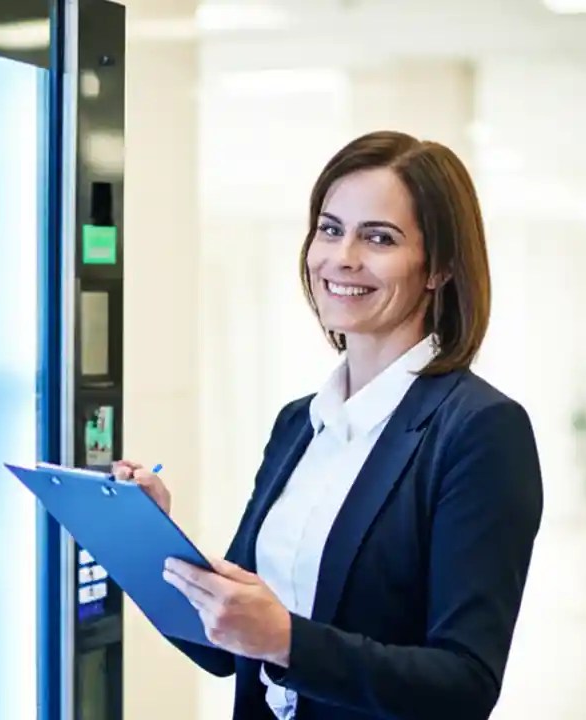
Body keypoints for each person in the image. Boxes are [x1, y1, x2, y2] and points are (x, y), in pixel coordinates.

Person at [114, 130, 543, 720]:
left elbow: (464, 684)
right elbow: (221, 643)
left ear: (439, 266)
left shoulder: (480, 431)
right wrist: (141, 535)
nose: (342, 257)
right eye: (330, 228)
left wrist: (286, 641)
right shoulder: (299, 423)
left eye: (379, 237)